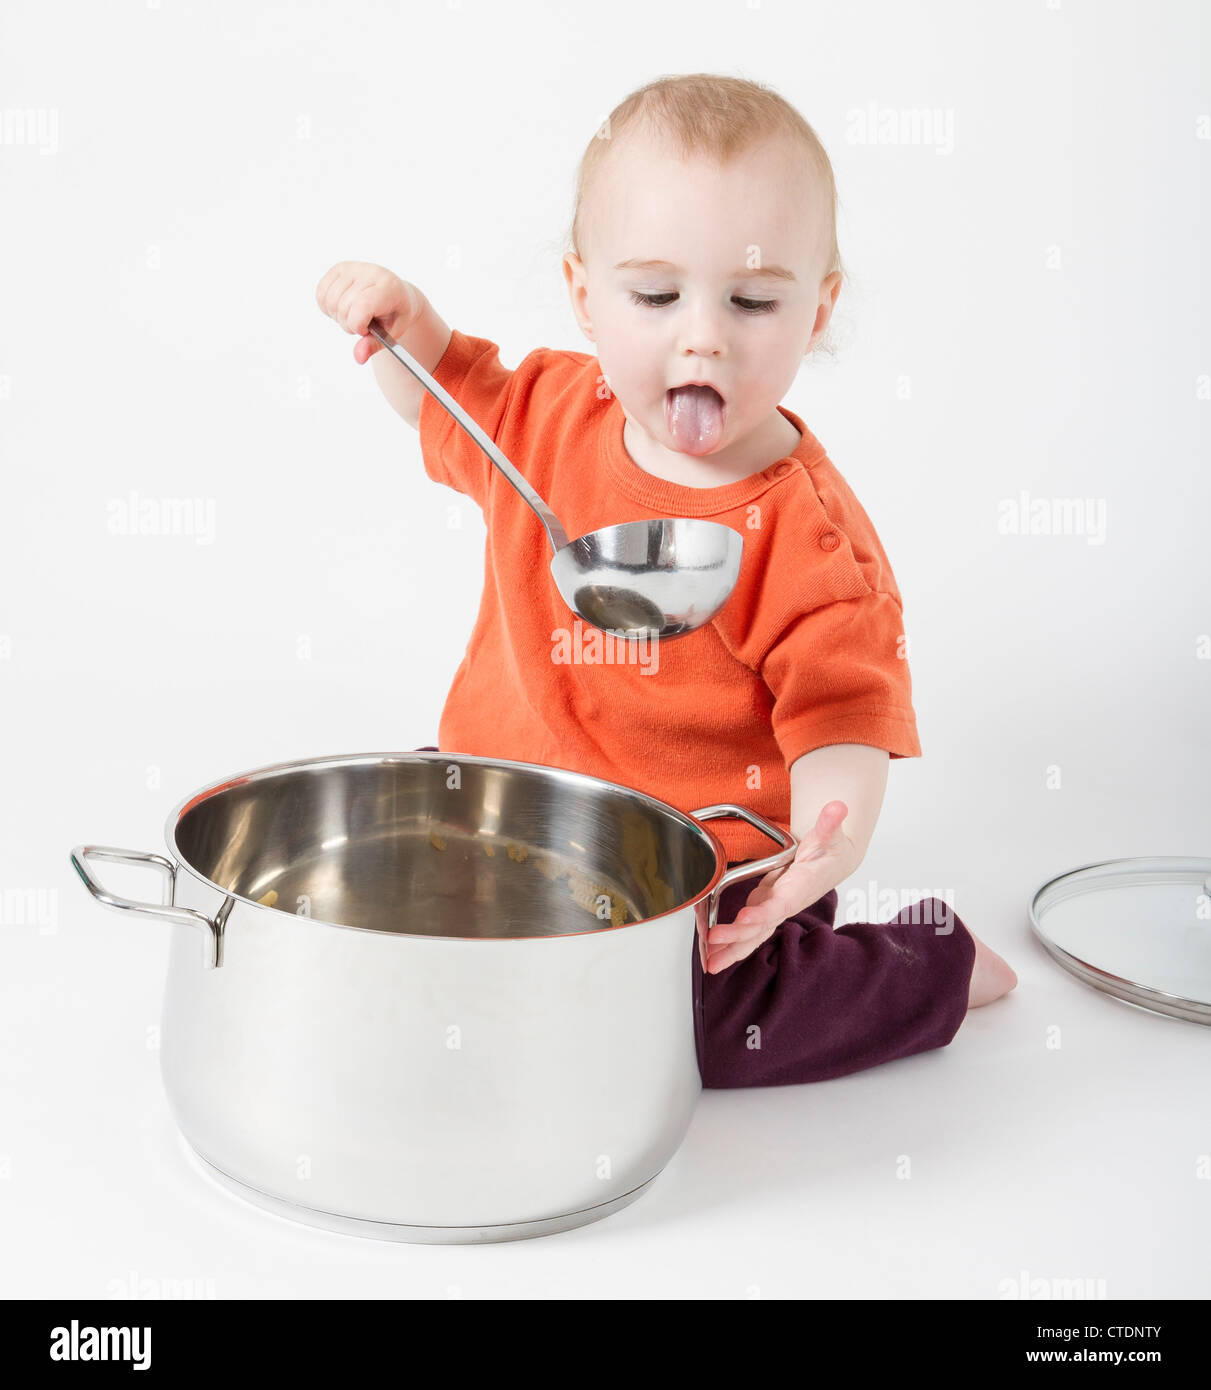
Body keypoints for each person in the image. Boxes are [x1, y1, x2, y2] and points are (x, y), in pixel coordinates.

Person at [316, 72, 1016, 1088]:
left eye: (751, 300)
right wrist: (399, 323)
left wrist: (829, 840)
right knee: (387, 868)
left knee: (690, 1022)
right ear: (582, 294)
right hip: (512, 804)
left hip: (703, 869)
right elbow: (441, 396)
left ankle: (929, 967)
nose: (702, 335)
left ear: (817, 308)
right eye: (654, 296)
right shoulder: (549, 418)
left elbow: (841, 715)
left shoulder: (802, 532)